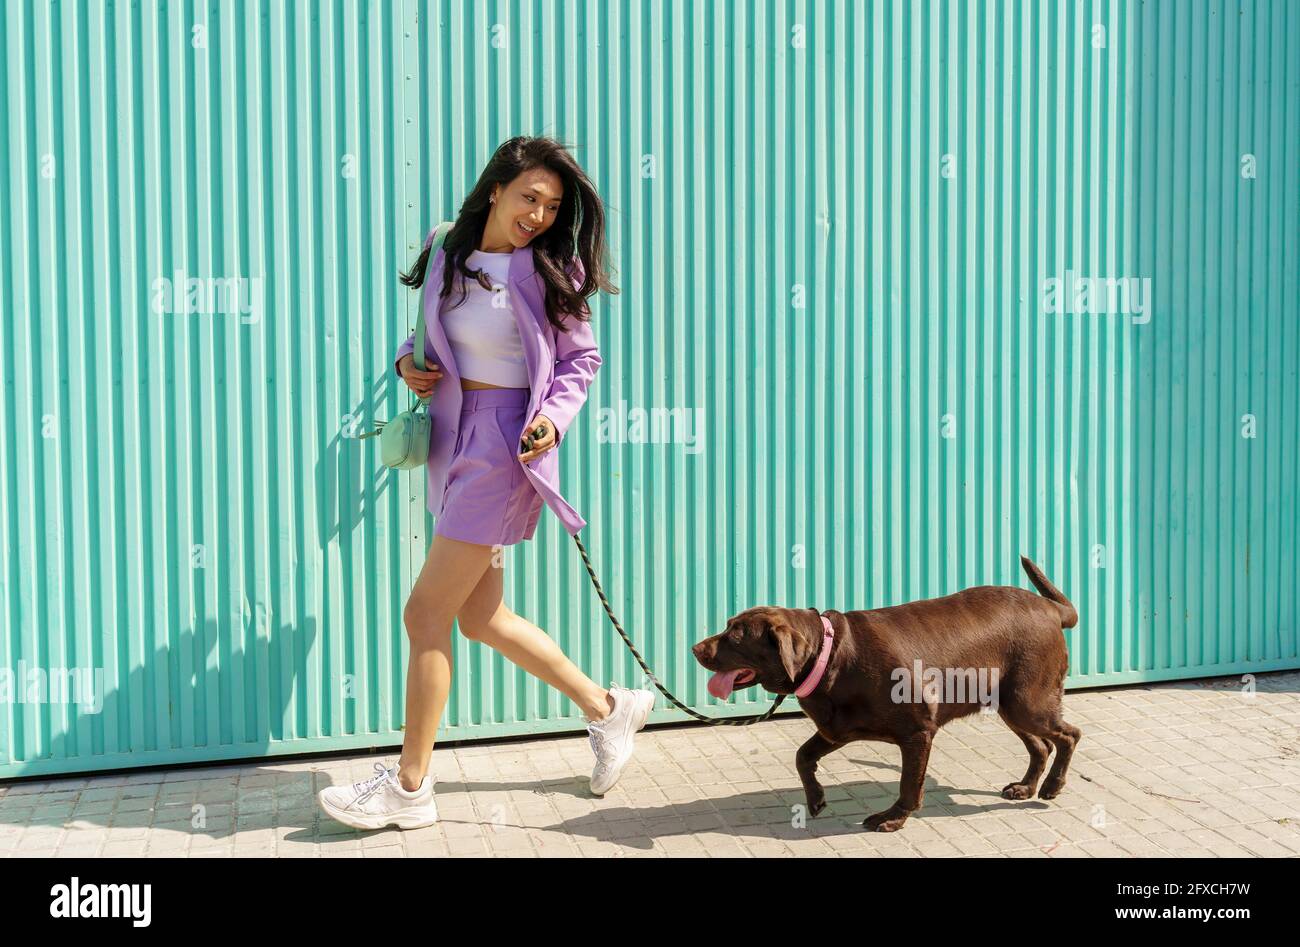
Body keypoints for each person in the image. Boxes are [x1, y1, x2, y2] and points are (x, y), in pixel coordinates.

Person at [318, 136, 654, 831]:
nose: (539, 212)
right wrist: (409, 362)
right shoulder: (447, 249)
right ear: (496, 188)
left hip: (504, 446)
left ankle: (410, 789)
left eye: (553, 205)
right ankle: (608, 707)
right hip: (452, 434)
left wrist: (553, 422)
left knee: (424, 614)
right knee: (480, 618)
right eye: (530, 196)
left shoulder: (549, 269)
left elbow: (580, 359)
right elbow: (428, 338)